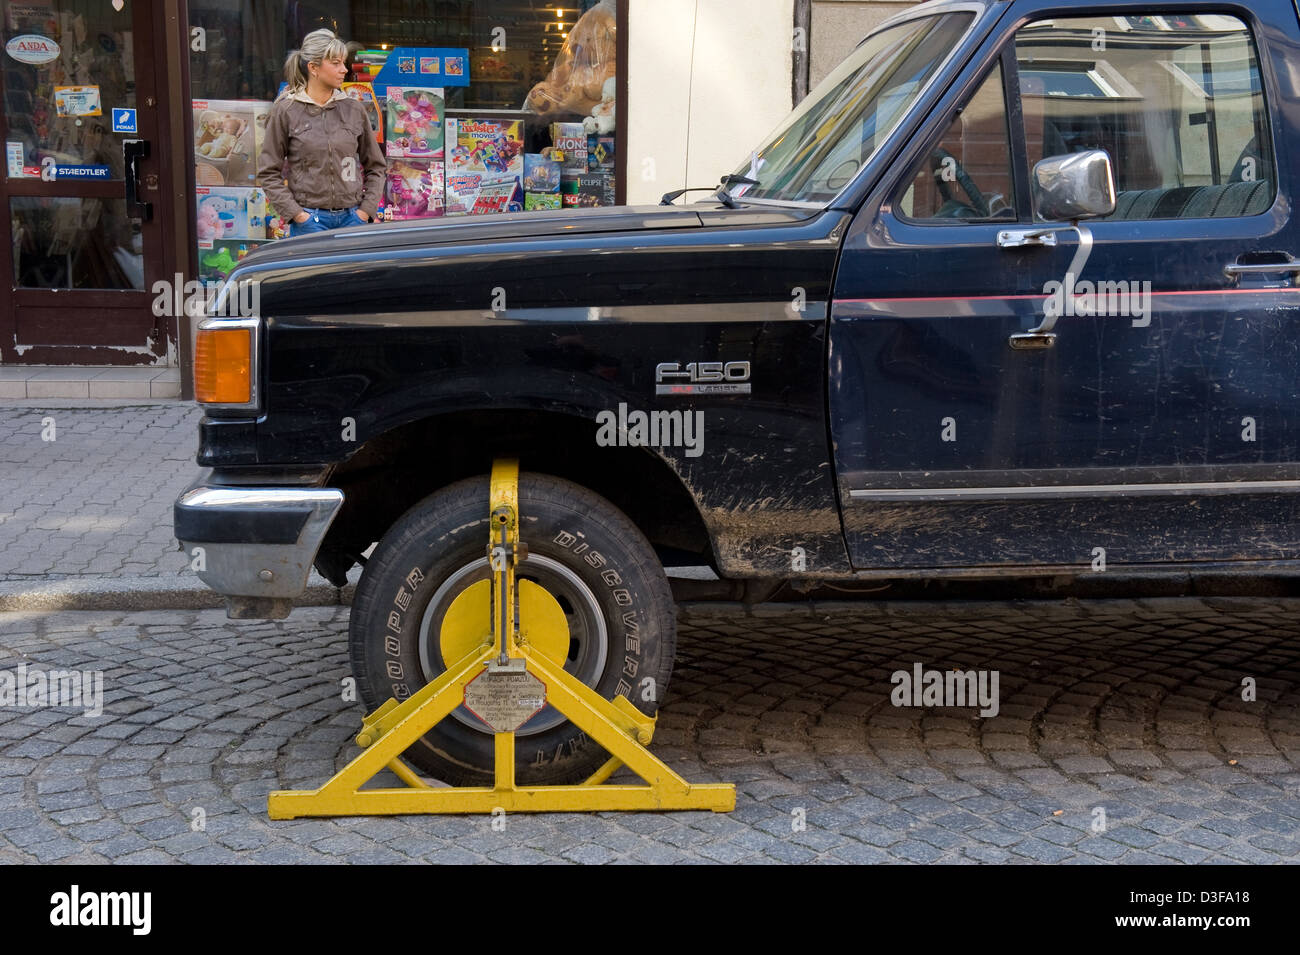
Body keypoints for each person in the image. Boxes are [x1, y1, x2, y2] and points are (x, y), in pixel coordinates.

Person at [258, 29, 386, 236]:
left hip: (352, 219)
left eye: (343, 63)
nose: (344, 69)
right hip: (309, 222)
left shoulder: (354, 109)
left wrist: (365, 212)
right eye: (336, 63)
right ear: (313, 68)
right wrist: (298, 216)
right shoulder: (286, 111)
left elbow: (376, 167)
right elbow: (268, 173)